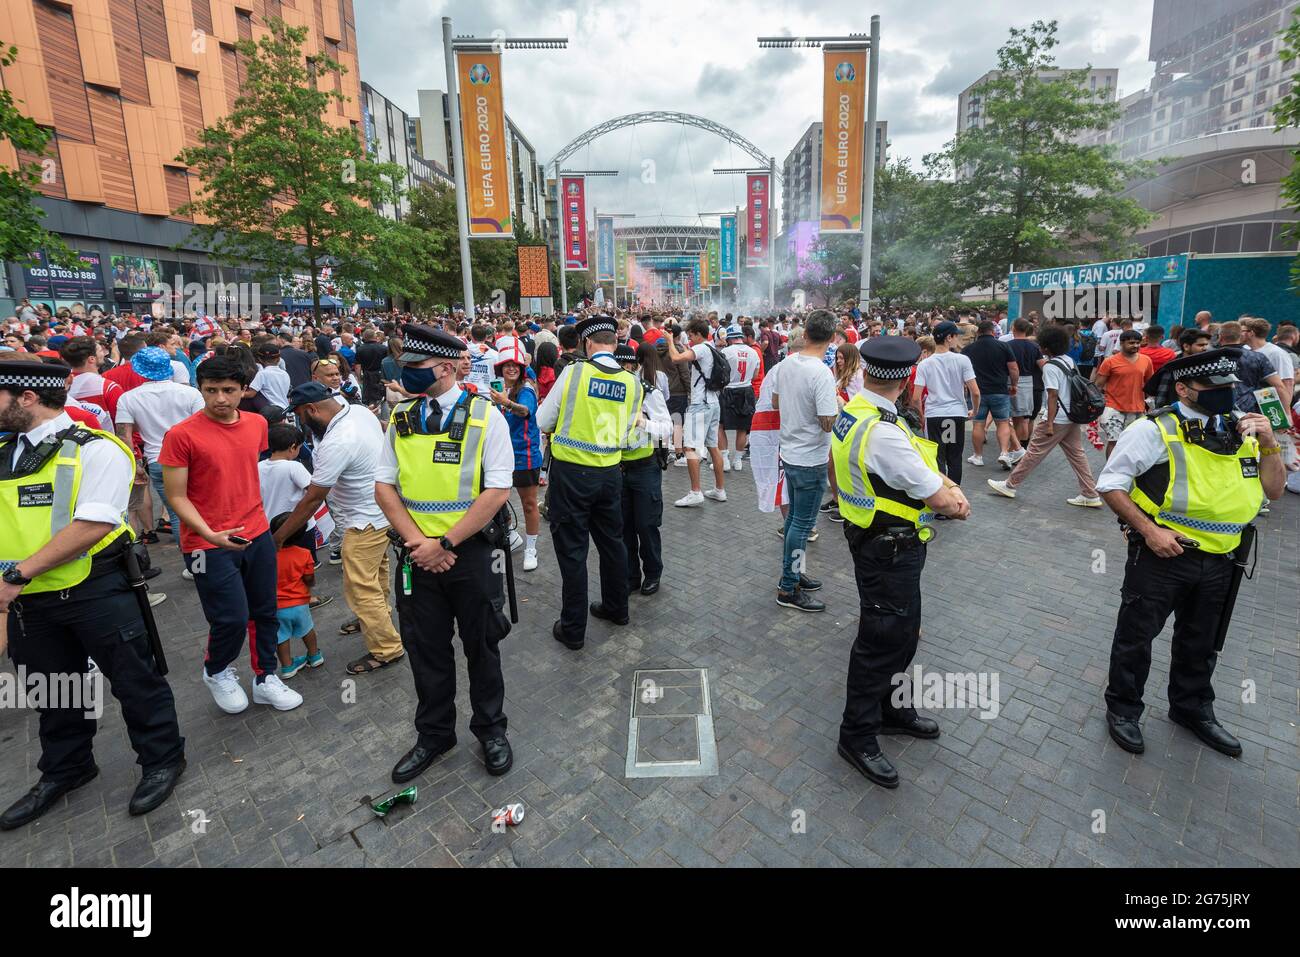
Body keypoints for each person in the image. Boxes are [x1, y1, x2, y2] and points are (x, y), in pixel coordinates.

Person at [0, 360, 185, 829]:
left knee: (134, 680)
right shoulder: (5, 450)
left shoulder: (95, 449)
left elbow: (93, 524)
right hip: (29, 600)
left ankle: (162, 760)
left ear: (26, 398)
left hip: (94, 589)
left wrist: (16, 575)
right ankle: (67, 768)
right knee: (53, 688)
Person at [1096, 349, 1285, 758]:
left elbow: (1274, 490)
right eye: (1214, 389)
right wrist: (1149, 532)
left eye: (1230, 388)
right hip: (1164, 555)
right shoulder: (1156, 429)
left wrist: (1270, 445)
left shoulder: (1245, 428)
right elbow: (1110, 483)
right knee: (1137, 636)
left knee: (1201, 641)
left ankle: (1192, 708)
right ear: (1184, 389)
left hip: (1223, 558)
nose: (1226, 395)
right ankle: (1124, 710)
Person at [373, 324, 514, 780]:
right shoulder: (401, 417)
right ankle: (434, 735)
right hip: (417, 557)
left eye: (417, 367)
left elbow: (497, 489)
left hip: (469, 554)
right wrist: (420, 544)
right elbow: (384, 486)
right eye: (406, 367)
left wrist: (445, 542)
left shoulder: (483, 415)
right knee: (425, 650)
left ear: (448, 367)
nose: (408, 374)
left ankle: (490, 728)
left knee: (482, 646)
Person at [832, 338, 971, 790]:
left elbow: (920, 465)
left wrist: (946, 484)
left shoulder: (861, 412)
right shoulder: (883, 430)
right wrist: (953, 500)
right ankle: (857, 735)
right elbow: (936, 498)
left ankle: (890, 709)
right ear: (908, 377)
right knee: (881, 641)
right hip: (888, 549)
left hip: (878, 541)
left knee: (902, 633)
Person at [159, 355, 303, 714]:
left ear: (243, 390)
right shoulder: (181, 436)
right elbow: (176, 495)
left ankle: (266, 676)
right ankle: (217, 670)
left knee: (266, 610)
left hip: (255, 533)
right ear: (200, 389)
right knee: (230, 618)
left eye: (228, 390)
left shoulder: (256, 425)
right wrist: (209, 532)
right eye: (211, 390)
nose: (220, 398)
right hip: (206, 542)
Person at [278, 381, 402, 676]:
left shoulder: (339, 440)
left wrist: (279, 537)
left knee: (360, 587)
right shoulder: (357, 412)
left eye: (300, 415)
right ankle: (375, 618)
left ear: (312, 409)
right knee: (376, 575)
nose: (301, 422)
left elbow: (312, 499)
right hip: (380, 512)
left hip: (362, 521)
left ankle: (386, 648)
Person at [538, 315, 644, 648]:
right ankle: (617, 608)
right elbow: (630, 437)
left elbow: (543, 420)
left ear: (586, 343)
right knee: (613, 543)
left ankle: (573, 629)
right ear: (615, 343)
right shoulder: (632, 383)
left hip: (571, 476)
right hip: (611, 474)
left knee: (573, 552)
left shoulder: (574, 372)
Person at [987, 325, 1102, 508]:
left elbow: (1052, 395)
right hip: (1072, 416)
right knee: (1077, 454)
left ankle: (1010, 485)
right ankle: (1090, 493)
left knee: (1034, 452)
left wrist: (1048, 423)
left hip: (1056, 418)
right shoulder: (1068, 361)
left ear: (1047, 348)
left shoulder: (1050, 367)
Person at [773, 310, 839, 612]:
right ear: (832, 337)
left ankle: (794, 573)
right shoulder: (822, 372)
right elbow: (827, 422)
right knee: (802, 524)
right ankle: (788, 587)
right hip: (810, 457)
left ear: (807, 333)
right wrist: (837, 406)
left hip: (790, 452)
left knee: (795, 521)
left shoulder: (786, 364)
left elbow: (775, 402)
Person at [616, 343, 673, 596]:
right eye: (618, 366)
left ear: (635, 366)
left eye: (627, 366)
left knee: (646, 526)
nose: (622, 371)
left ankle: (653, 573)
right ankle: (630, 576)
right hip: (617, 467)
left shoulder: (648, 393)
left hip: (645, 467)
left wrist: (643, 422)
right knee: (623, 527)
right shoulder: (610, 394)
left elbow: (668, 428)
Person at [489, 340, 542, 571]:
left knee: (529, 504)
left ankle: (531, 549)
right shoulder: (502, 389)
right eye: (507, 365)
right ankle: (511, 534)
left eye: (515, 365)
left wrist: (505, 403)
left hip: (524, 455)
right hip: (502, 455)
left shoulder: (526, 389)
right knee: (497, 500)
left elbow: (525, 411)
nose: (511, 369)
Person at [666, 318, 727, 505]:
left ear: (698, 334)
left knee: (690, 447)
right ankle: (719, 490)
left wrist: (669, 340)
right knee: (712, 446)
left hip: (700, 404)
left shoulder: (700, 348)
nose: (689, 338)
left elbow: (676, 358)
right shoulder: (711, 347)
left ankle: (695, 492)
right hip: (713, 403)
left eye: (691, 335)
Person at [913, 321, 978, 485]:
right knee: (954, 459)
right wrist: (974, 410)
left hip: (934, 415)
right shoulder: (963, 360)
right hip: (956, 414)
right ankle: (955, 495)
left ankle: (941, 494)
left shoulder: (925, 364)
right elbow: (975, 392)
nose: (958, 339)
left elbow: (915, 398)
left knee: (937, 458)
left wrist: (921, 416)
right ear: (949, 337)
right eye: (956, 336)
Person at [268, 513, 323, 679]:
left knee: (281, 636)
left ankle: (287, 666)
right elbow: (309, 578)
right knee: (307, 629)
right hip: (300, 604)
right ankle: (314, 656)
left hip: (277, 606)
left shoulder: (269, 555)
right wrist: (310, 584)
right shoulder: (304, 553)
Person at [962, 320, 1020, 469]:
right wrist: (1014, 384)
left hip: (977, 393)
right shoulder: (1003, 346)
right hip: (1000, 390)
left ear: (978, 332)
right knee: (1003, 422)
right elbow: (1013, 368)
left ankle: (978, 456)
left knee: (978, 424)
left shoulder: (968, 349)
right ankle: (1004, 453)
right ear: (993, 331)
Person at [1094, 330, 1154, 458]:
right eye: (1131, 343)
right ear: (1121, 343)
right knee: (1114, 442)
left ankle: (1130, 472)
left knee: (1133, 443)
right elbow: (1098, 385)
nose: (1136, 346)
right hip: (1113, 408)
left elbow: (1150, 384)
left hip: (1137, 409)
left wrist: (1151, 403)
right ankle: (1111, 472)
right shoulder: (1110, 361)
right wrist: (1095, 408)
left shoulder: (1146, 360)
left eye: (1138, 343)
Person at [718, 325, 759, 472]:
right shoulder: (754, 352)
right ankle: (737, 460)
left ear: (729, 338)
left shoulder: (725, 352)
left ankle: (724, 460)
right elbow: (755, 375)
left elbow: (720, 375)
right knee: (742, 428)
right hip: (746, 391)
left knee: (720, 426)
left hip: (728, 390)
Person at [249, 341, 291, 408]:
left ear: (260, 359)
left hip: (271, 411)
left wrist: (239, 394)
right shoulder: (285, 374)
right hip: (285, 409)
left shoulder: (262, 374)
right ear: (278, 359)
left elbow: (251, 394)